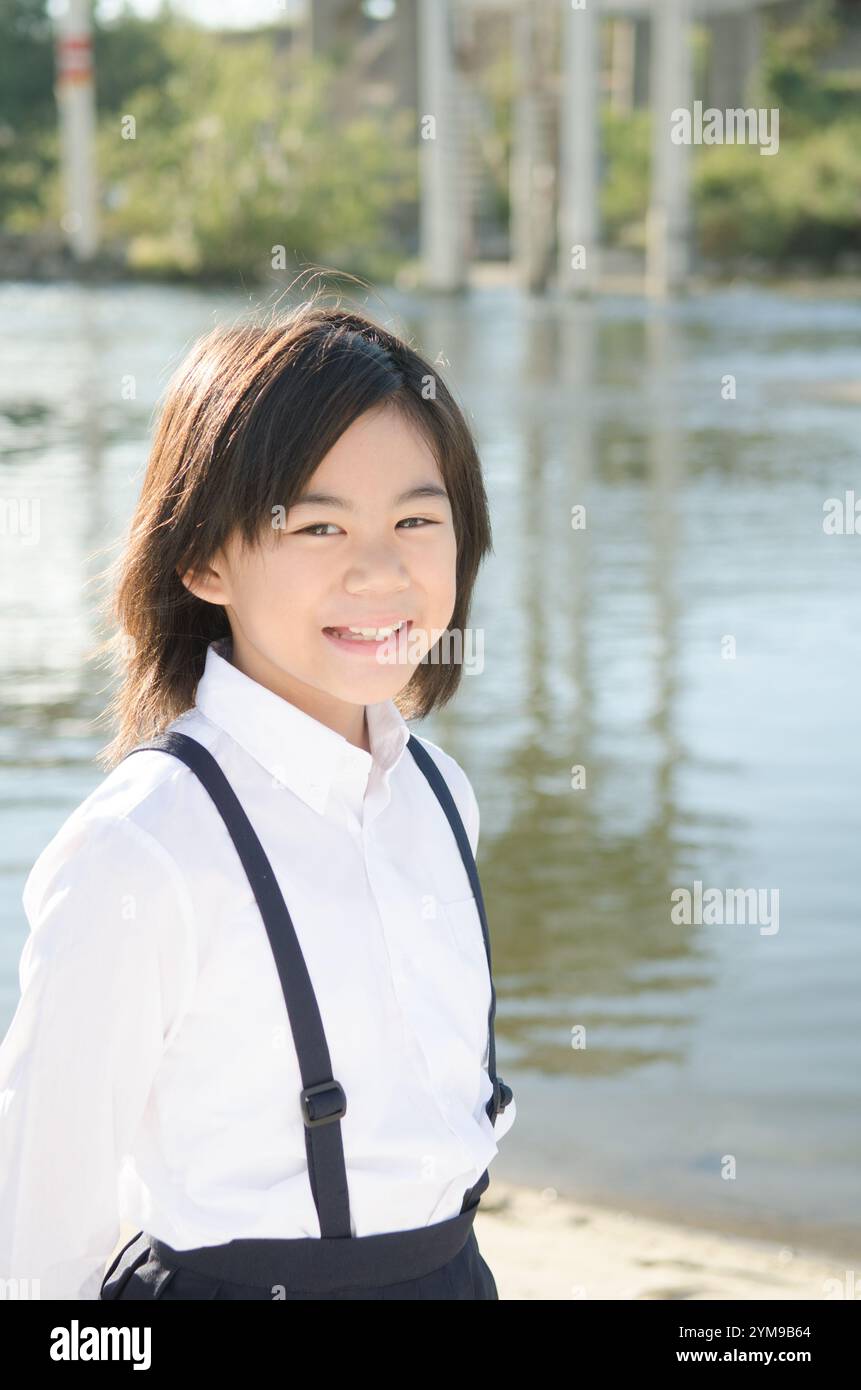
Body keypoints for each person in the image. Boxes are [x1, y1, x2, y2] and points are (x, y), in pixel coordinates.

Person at [0, 297, 516, 1301]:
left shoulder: (440, 795)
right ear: (202, 558)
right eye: (319, 525)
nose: (380, 568)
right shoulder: (144, 845)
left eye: (418, 518)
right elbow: (35, 1232)